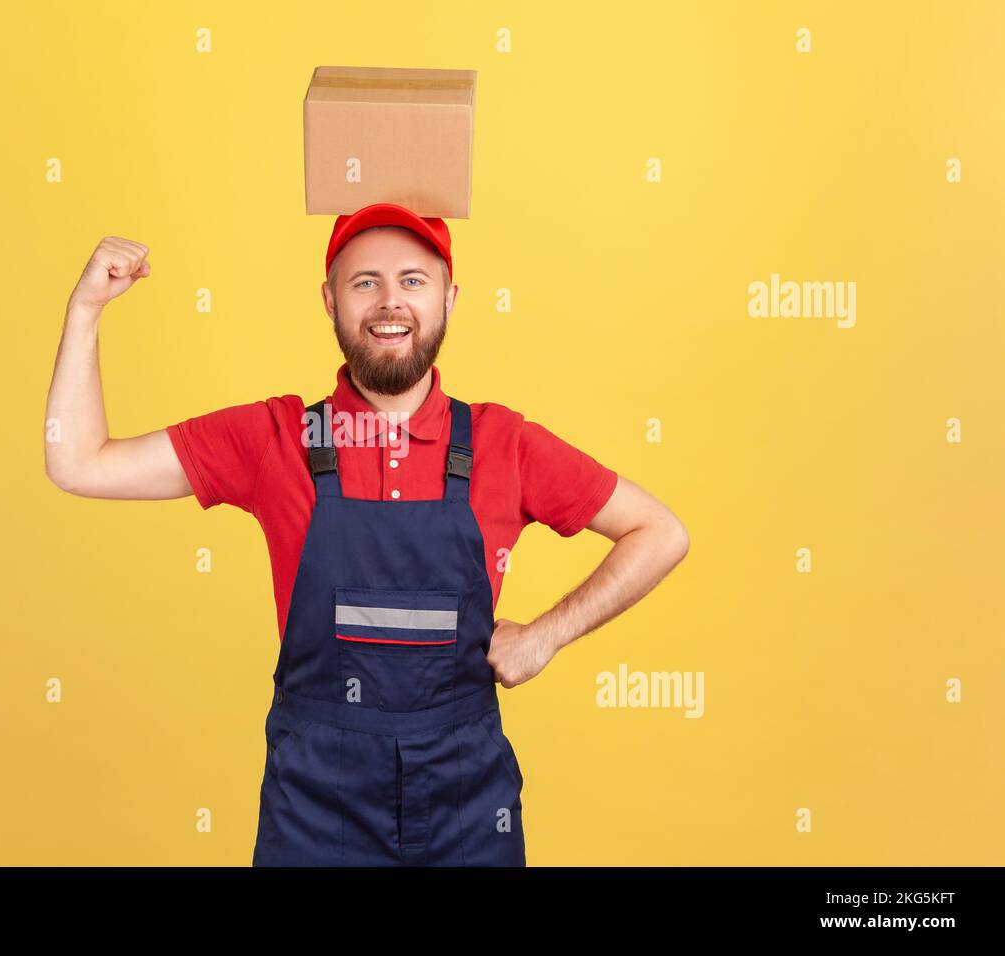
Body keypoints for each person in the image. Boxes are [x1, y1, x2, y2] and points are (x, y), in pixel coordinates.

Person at [43, 202, 689, 866]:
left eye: (413, 280)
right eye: (365, 282)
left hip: (469, 805)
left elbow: (659, 532)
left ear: (449, 297)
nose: (390, 303)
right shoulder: (276, 439)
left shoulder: (505, 444)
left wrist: (547, 635)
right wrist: (86, 309)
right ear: (329, 300)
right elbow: (78, 461)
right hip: (316, 808)